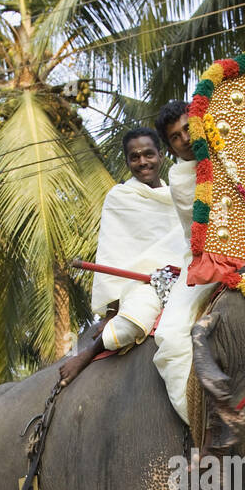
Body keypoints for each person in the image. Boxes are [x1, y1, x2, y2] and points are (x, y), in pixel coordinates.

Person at [58, 128, 182, 385]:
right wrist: (112, 313)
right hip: (143, 287)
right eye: (134, 157)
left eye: (148, 154)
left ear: (160, 155)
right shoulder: (120, 197)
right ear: (127, 161)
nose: (143, 162)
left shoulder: (178, 195)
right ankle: (85, 357)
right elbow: (113, 254)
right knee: (128, 327)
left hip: (187, 279)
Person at [152, 101, 220, 424]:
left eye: (187, 128)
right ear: (170, 147)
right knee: (168, 337)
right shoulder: (180, 180)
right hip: (207, 259)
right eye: (175, 137)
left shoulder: (227, 149)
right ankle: (200, 423)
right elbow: (206, 232)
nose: (185, 138)